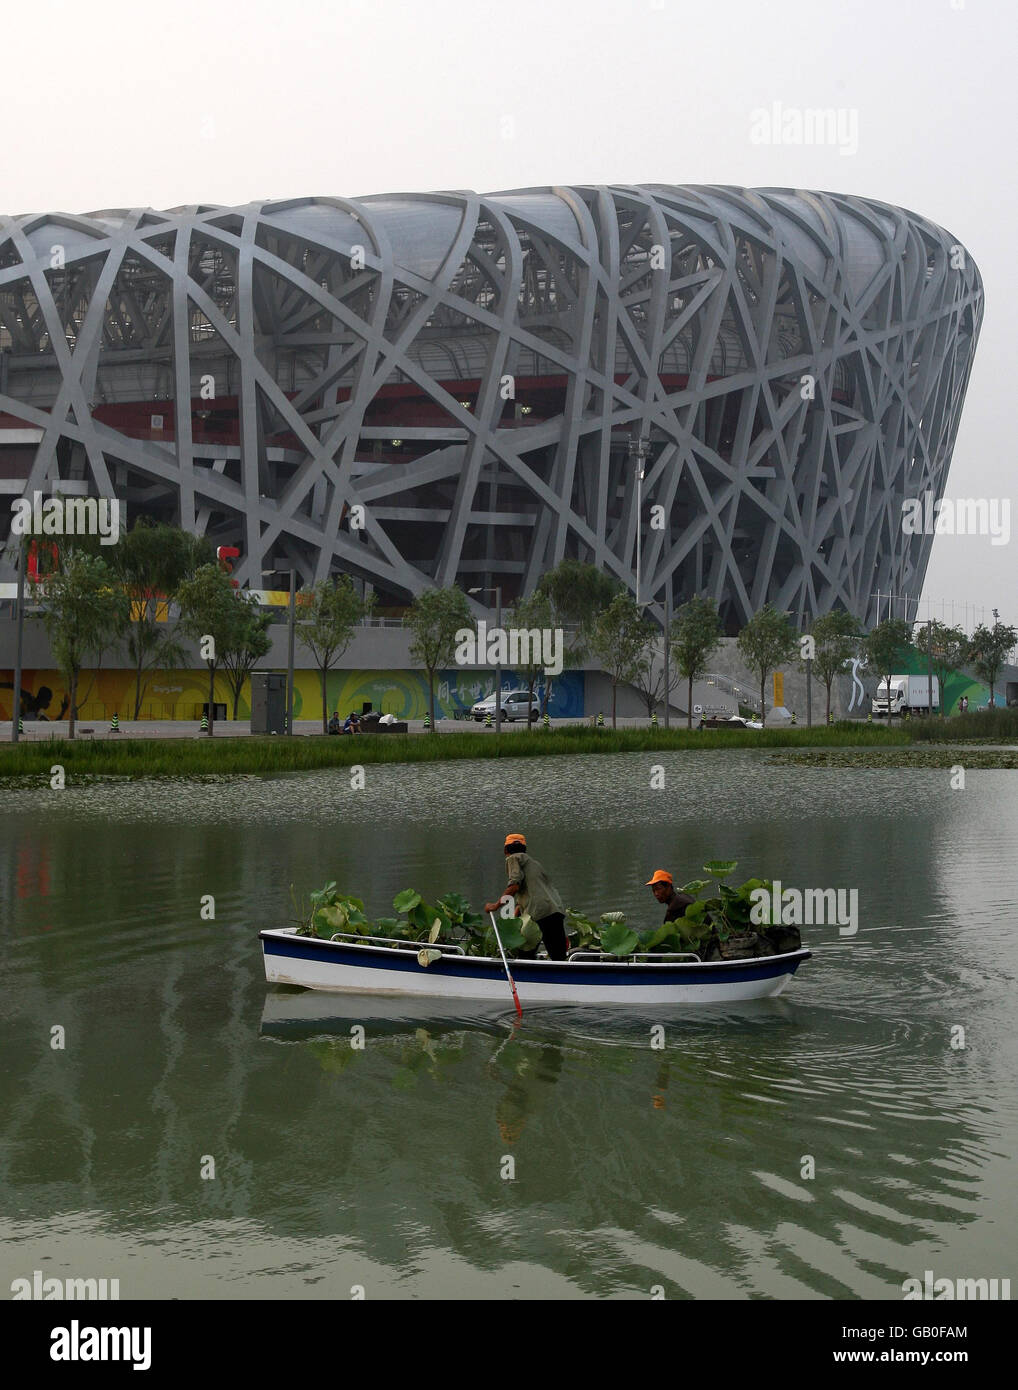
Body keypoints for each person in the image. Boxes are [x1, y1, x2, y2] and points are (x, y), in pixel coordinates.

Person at [483, 833, 568, 961]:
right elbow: (532, 891)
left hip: (537, 914)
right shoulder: (534, 863)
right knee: (559, 957)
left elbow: (514, 886)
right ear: (524, 849)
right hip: (555, 911)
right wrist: (517, 911)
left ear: (506, 850)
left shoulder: (513, 859)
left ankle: (525, 979)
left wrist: (495, 906)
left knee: (525, 954)